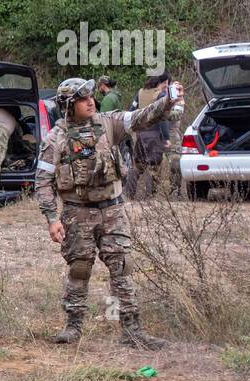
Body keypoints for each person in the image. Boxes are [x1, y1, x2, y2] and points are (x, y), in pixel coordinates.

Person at [35, 76, 181, 348]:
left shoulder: (109, 122)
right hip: (77, 214)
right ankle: (73, 328)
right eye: (82, 98)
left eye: (91, 96)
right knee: (79, 269)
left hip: (112, 210)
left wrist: (167, 101)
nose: (91, 101)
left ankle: (131, 332)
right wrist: (51, 218)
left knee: (122, 268)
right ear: (68, 105)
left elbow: (141, 118)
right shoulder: (55, 139)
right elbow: (43, 182)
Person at [126, 72, 173, 199]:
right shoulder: (160, 95)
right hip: (154, 134)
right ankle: (150, 197)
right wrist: (167, 138)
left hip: (140, 134)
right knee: (154, 167)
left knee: (137, 166)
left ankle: (129, 194)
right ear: (163, 82)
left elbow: (131, 110)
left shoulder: (140, 92)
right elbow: (163, 118)